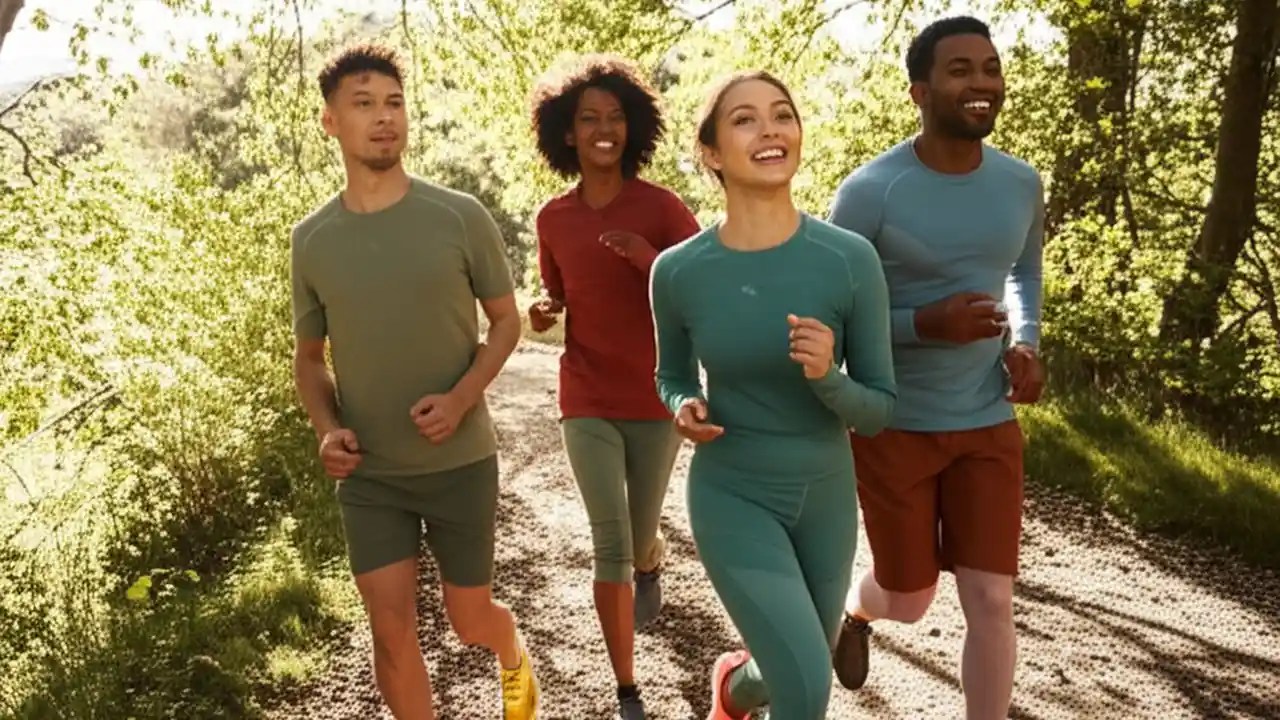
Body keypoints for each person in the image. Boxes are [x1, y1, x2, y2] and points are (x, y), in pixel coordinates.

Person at [289, 44, 538, 720]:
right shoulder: (311, 239)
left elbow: (508, 323)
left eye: (394, 103)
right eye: (364, 104)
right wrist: (326, 430)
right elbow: (309, 359)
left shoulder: (458, 215)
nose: (384, 118)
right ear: (329, 122)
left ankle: (511, 649)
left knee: (469, 620)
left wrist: (461, 399)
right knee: (390, 632)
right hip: (370, 475)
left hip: (459, 464)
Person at [649, 70, 898, 720]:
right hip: (732, 491)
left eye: (782, 114)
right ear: (710, 152)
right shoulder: (678, 271)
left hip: (825, 494)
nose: (770, 129)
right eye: (745, 119)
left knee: (792, 666)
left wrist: (829, 379)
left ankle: (732, 691)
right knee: (808, 688)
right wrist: (682, 406)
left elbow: (878, 412)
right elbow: (670, 374)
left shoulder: (848, 260)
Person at [825, 16, 1046, 720]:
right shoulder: (871, 191)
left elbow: (1025, 275)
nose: (981, 83)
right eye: (960, 70)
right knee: (911, 600)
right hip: (894, 423)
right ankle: (860, 615)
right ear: (920, 90)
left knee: (990, 600)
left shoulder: (1019, 183)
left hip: (986, 419)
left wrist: (1030, 345)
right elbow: (829, 319)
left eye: (990, 67)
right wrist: (925, 324)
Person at [524, 54, 701, 720]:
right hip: (586, 395)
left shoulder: (661, 207)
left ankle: (652, 558)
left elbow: (700, 288)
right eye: (588, 118)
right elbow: (559, 294)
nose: (604, 128)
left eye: (615, 116)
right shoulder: (552, 218)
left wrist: (650, 260)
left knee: (639, 528)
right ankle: (627, 687)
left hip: (655, 394)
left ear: (634, 129)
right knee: (608, 543)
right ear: (566, 133)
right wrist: (545, 312)